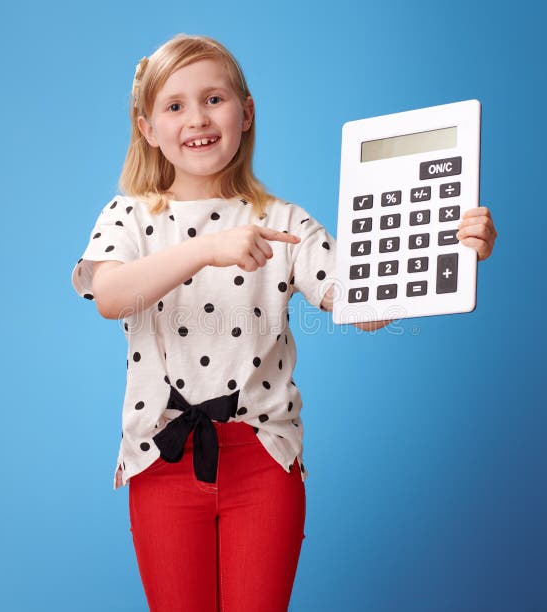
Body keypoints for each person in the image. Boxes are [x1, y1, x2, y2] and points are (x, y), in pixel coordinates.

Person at [70, 33, 498, 612]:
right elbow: (110, 294)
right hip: (160, 459)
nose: (196, 118)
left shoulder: (282, 222)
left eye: (214, 99)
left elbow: (363, 306)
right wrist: (207, 249)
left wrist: (447, 247)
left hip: (263, 459)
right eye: (174, 106)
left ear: (245, 113)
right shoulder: (128, 216)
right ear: (147, 128)